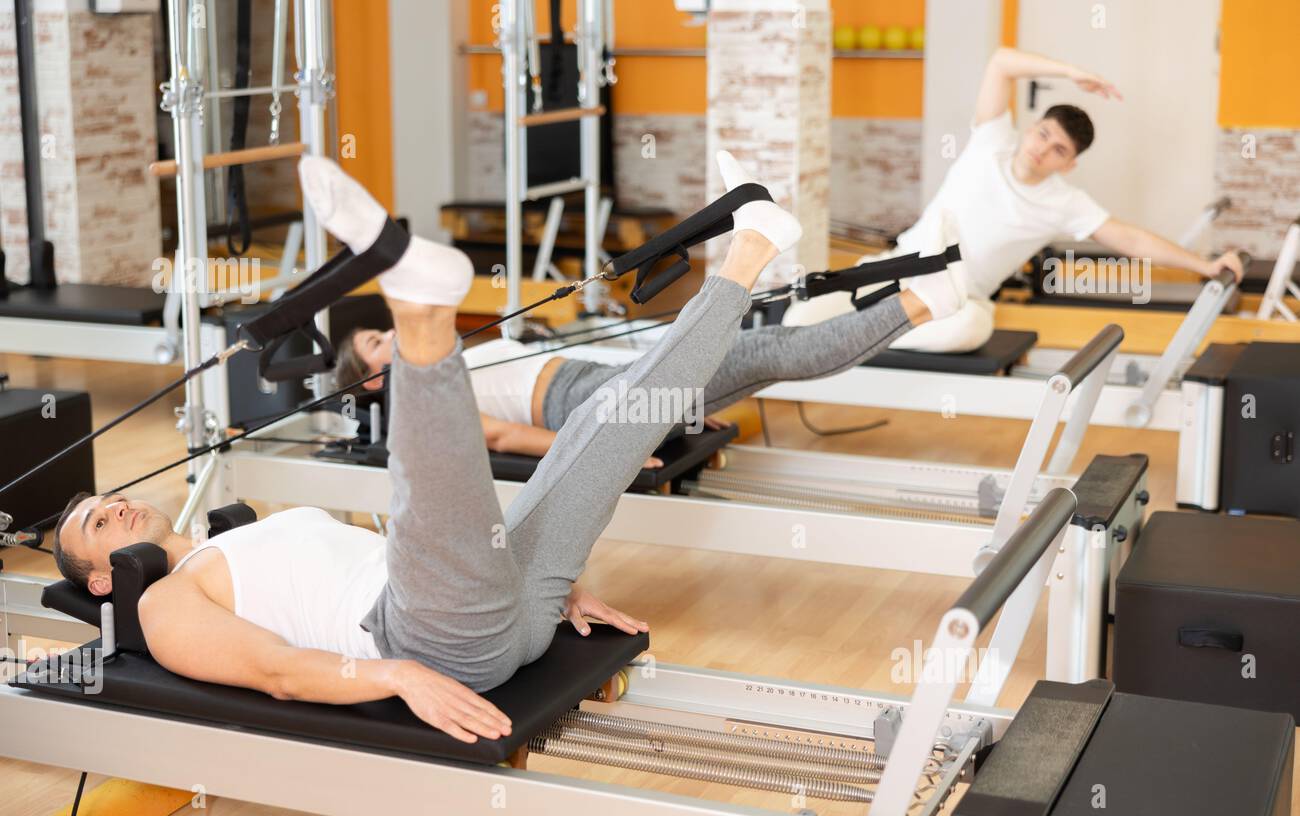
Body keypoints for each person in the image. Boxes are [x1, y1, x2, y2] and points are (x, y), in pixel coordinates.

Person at [49, 152, 965, 742]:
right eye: (96, 520)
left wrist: (551, 580)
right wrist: (400, 674)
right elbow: (280, 673)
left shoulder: (227, 534)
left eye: (103, 496)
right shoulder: (166, 602)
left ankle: (752, 248)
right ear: (100, 578)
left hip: (514, 598)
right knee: (426, 496)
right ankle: (418, 311)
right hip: (432, 638)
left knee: (621, 415)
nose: (115, 504)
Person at [331, 224, 969, 464]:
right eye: (374, 343)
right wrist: (610, 449)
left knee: (757, 358)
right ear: (373, 380)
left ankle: (924, 300)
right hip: (592, 412)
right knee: (766, 353)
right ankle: (928, 302)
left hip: (602, 391)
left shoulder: (441, 366)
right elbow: (497, 438)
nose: (387, 334)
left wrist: (674, 408)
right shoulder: (424, 401)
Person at [783, 46, 1245, 352]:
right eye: (1043, 134)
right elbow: (1002, 61)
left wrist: (1203, 266)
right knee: (798, 320)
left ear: (1068, 164)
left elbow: (1130, 239)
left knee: (972, 329)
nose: (1043, 149)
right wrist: (1071, 73)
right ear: (1032, 127)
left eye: (1058, 149)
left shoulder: (1065, 201)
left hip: (954, 306)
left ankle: (866, 336)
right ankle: (871, 330)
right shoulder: (991, 141)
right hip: (893, 275)